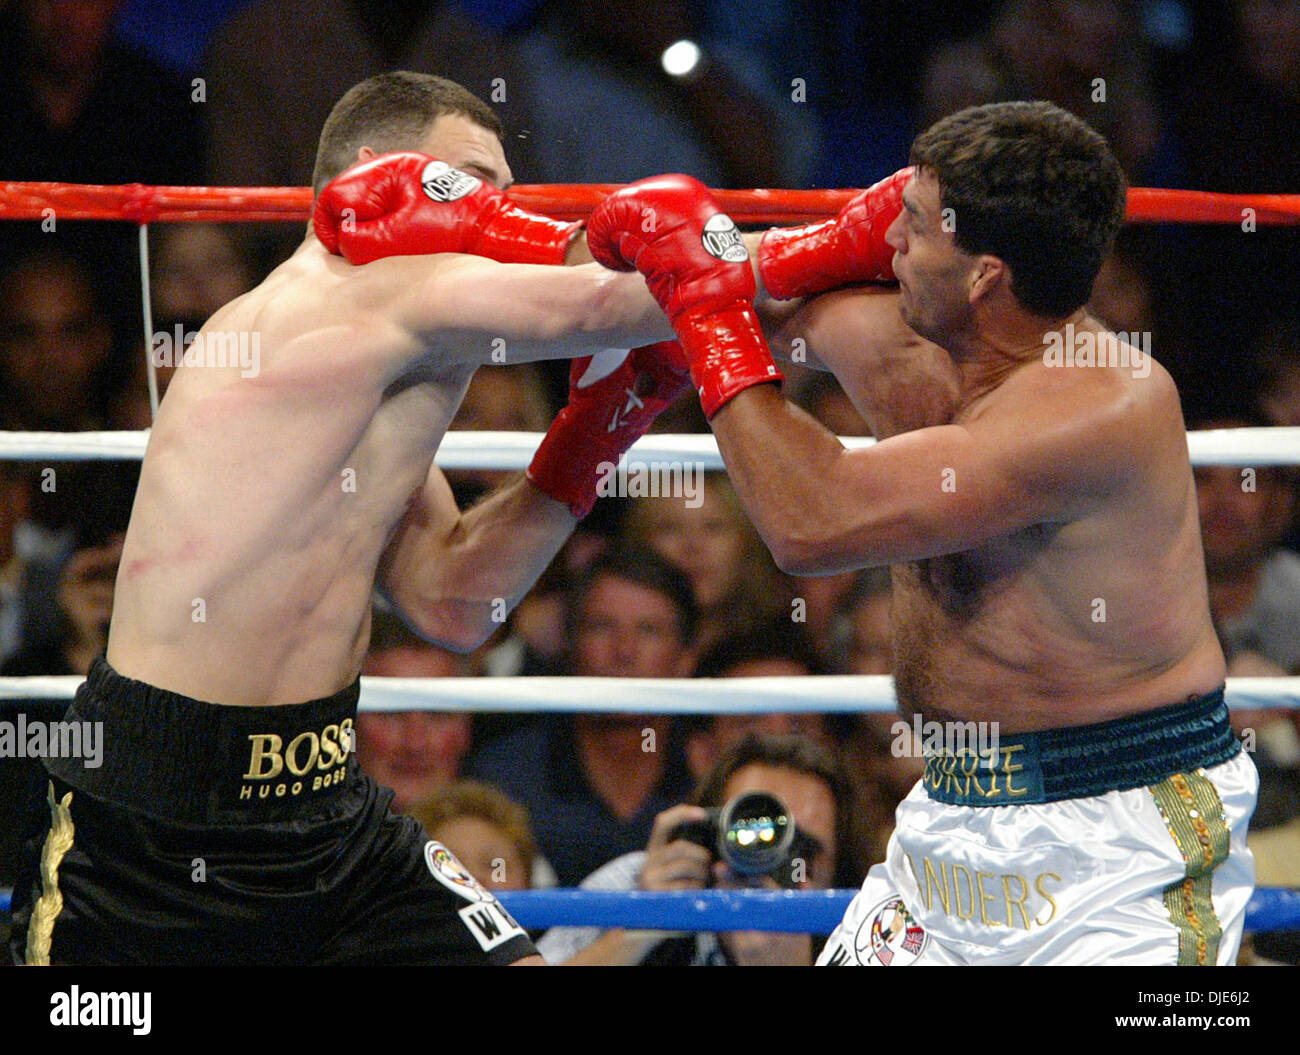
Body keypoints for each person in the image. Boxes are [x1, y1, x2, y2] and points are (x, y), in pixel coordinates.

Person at [8, 70, 685, 967]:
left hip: (328, 806)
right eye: (468, 186)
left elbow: (452, 603)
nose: (493, 221)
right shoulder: (335, 303)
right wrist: (840, 253)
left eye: (505, 197)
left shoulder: (406, 360)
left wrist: (593, 436)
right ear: (378, 181)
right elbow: (622, 298)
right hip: (158, 827)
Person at [584, 100, 1255, 965]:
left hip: (1123, 830)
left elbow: (808, 520)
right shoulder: (913, 332)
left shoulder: (1105, 407)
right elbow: (681, 288)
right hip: (949, 824)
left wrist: (709, 311)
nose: (886, 242)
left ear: (983, 277)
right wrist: (471, 252)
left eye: (911, 229)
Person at [465, 547, 697, 886]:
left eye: (649, 631)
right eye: (602, 627)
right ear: (569, 644)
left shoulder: (711, 774)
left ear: (686, 659)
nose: (624, 651)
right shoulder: (502, 777)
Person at [535, 732, 862, 966]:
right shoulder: (638, 883)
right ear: (710, 825)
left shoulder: (865, 921)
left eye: (800, 847)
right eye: (752, 826)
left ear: (838, 869)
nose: (768, 855)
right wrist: (637, 930)